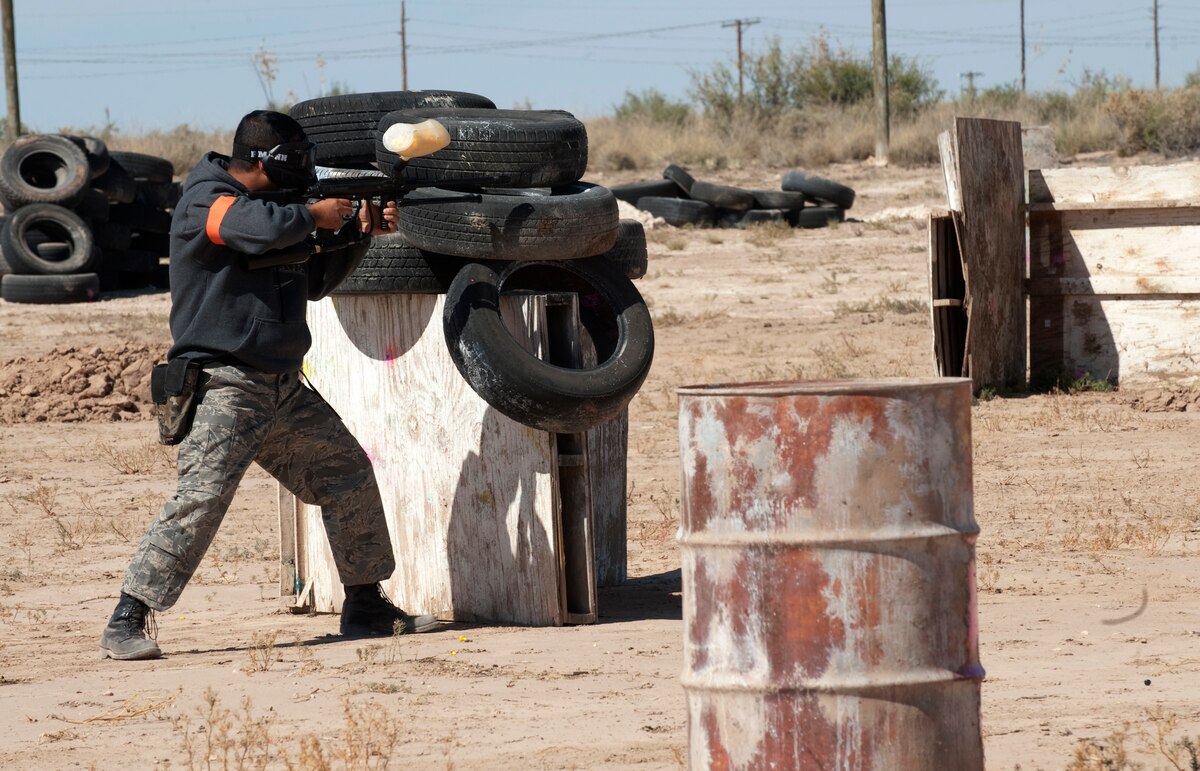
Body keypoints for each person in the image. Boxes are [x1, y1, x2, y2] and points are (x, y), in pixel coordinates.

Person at [100, 110, 438, 661]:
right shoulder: (207, 198)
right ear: (262, 161)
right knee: (201, 499)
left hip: (281, 385)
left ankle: (366, 604)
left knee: (345, 473)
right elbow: (246, 229)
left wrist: (357, 232)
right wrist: (314, 216)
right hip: (226, 383)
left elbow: (317, 282)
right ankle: (128, 617)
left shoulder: (281, 212)